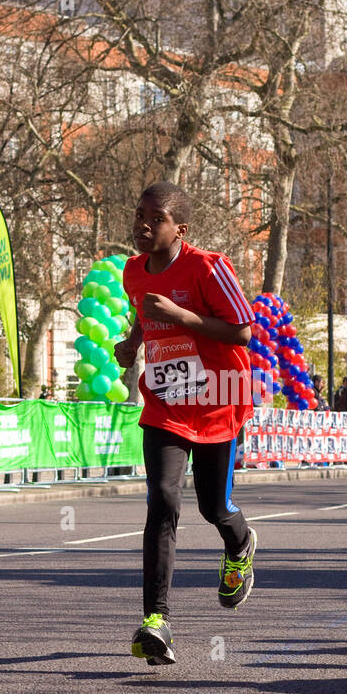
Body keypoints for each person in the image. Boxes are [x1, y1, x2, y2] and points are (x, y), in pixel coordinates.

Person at [113, 182, 256, 665]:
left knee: (214, 506)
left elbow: (243, 331)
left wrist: (181, 314)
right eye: (139, 214)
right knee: (164, 501)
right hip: (167, 404)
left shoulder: (209, 267)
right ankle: (157, 621)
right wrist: (133, 344)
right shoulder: (133, 272)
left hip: (218, 399)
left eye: (155, 218)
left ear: (180, 229)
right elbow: (144, 313)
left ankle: (240, 543)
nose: (143, 224)